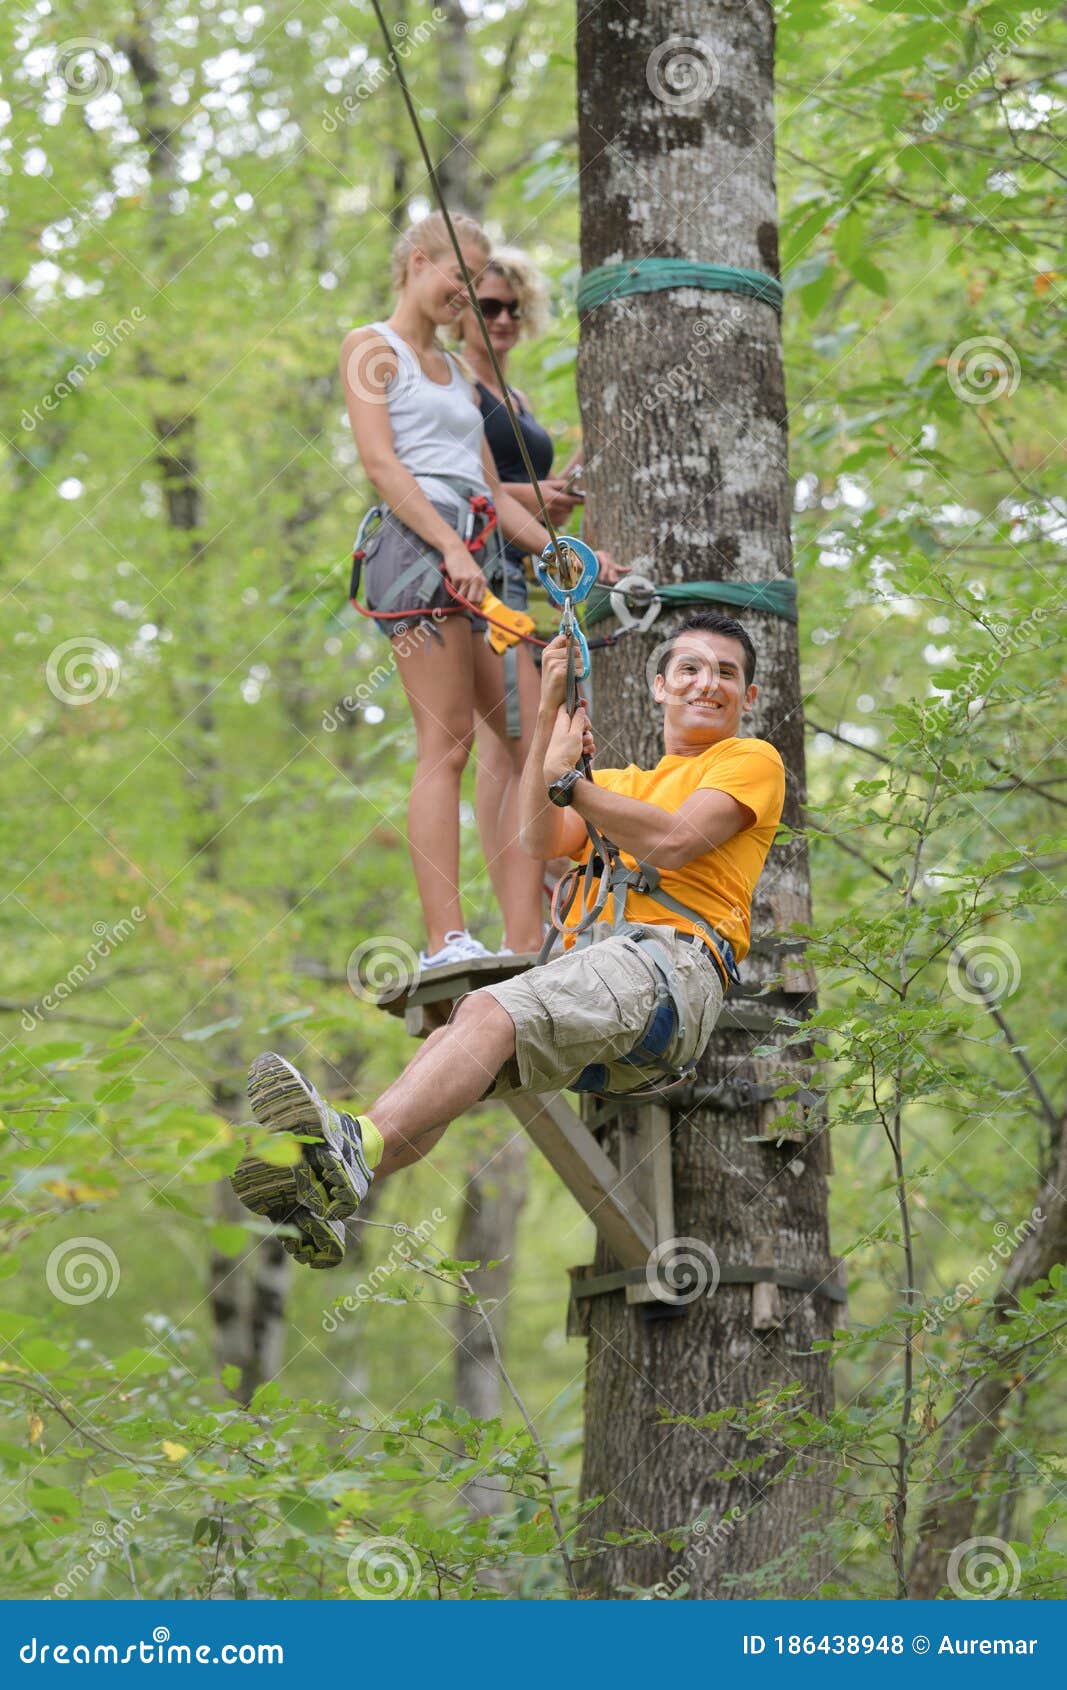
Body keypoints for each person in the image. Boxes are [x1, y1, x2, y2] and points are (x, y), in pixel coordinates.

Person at [232, 611, 787, 1268]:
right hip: (615, 991)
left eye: (725, 674)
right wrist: (549, 716)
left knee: (486, 1010)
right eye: (689, 669)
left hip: (667, 971)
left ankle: (350, 1144)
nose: (707, 684)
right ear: (659, 686)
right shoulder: (616, 787)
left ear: (747, 698)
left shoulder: (750, 760)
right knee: (450, 1048)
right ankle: (326, 1190)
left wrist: (570, 785)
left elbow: (673, 841)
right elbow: (537, 839)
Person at [341, 211, 613, 970]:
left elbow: (495, 492)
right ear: (418, 261)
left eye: (477, 281)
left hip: (481, 554)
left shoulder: (459, 377)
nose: (467, 296)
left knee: (534, 741)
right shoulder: (372, 347)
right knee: (448, 742)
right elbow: (382, 465)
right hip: (417, 553)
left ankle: (531, 939)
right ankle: (443, 941)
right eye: (459, 278)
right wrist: (446, 546)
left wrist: (570, 555)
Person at [455, 248, 586, 955]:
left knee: (518, 745)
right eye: (487, 307)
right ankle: (518, 935)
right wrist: (540, 508)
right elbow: (472, 488)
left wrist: (550, 503)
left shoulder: (516, 398)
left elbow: (515, 491)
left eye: (512, 308)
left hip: (525, 571)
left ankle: (536, 923)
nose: (502, 320)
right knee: (512, 747)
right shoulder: (455, 387)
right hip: (484, 571)